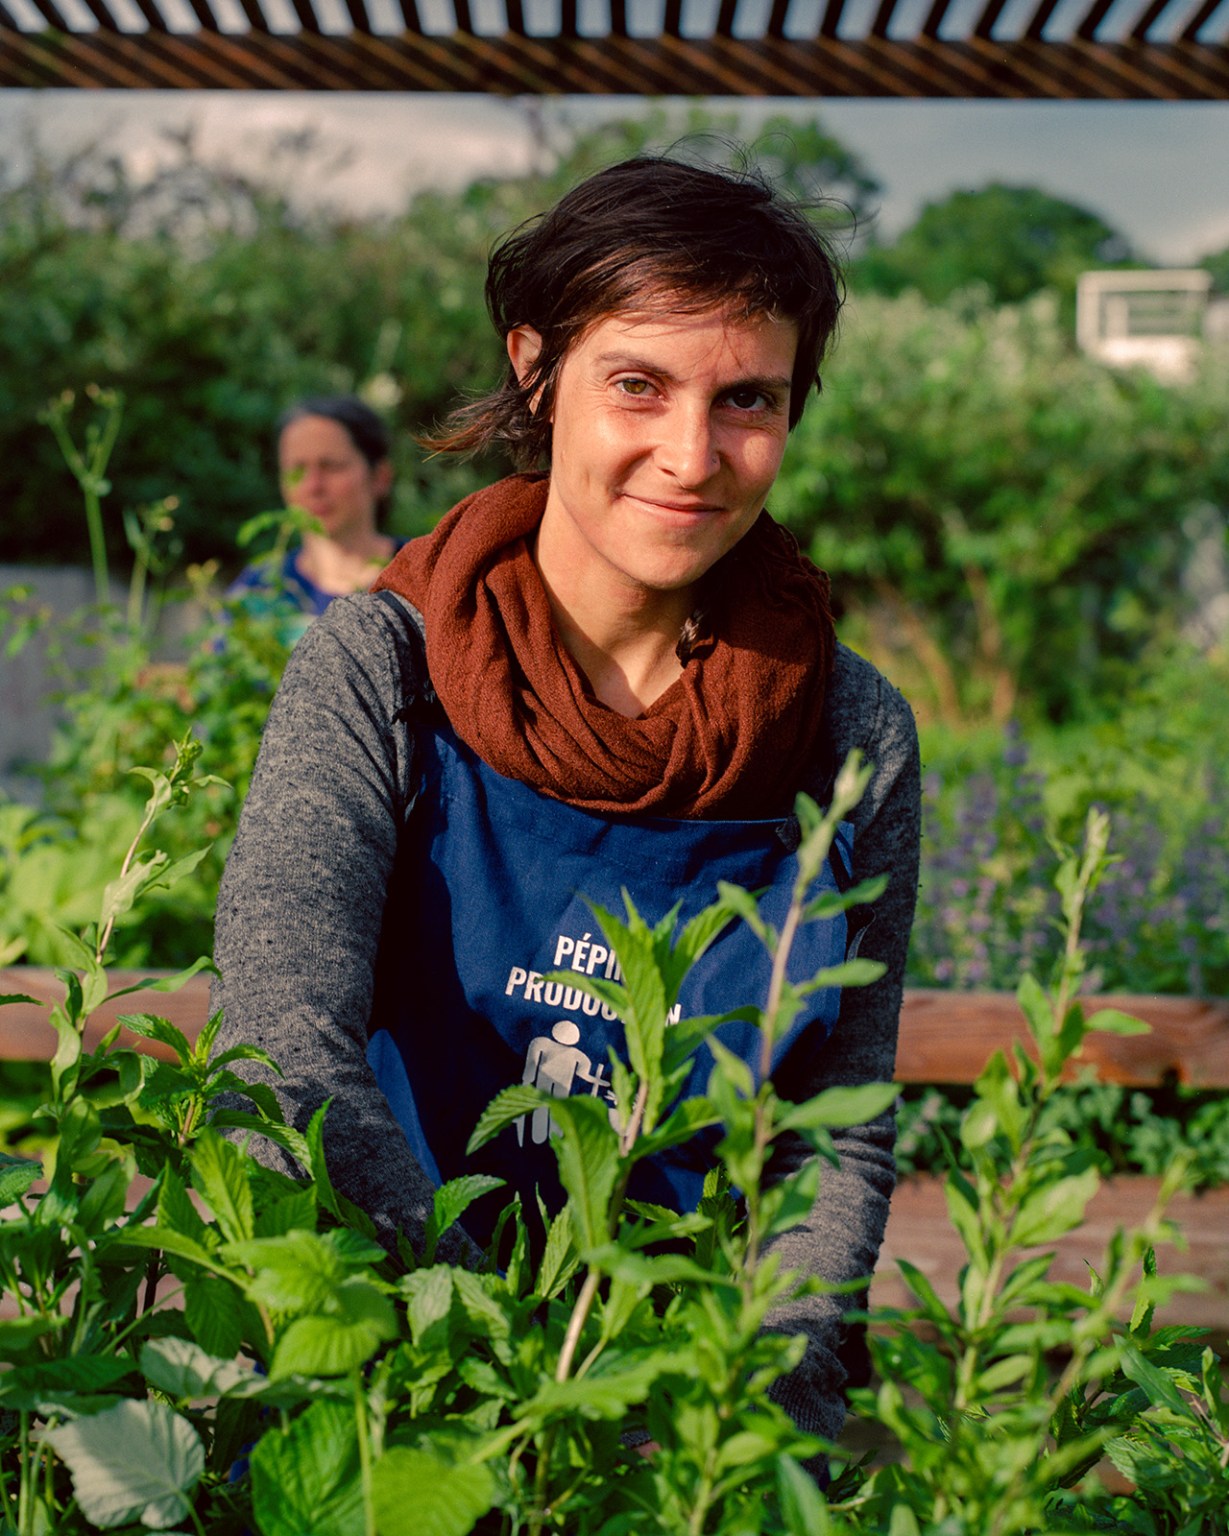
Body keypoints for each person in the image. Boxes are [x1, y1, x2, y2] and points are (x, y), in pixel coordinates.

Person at [211, 154, 921, 1459]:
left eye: (747, 398)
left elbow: (839, 1129)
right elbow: (279, 1045)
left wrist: (738, 1395)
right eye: (638, 385)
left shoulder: (846, 735)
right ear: (538, 370)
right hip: (401, 1381)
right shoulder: (384, 669)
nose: (692, 455)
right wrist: (506, 1364)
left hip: (701, 1396)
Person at [227, 394, 402, 631]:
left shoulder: (422, 579)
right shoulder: (257, 592)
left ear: (380, 477)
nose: (313, 487)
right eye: (297, 471)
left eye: (331, 466)